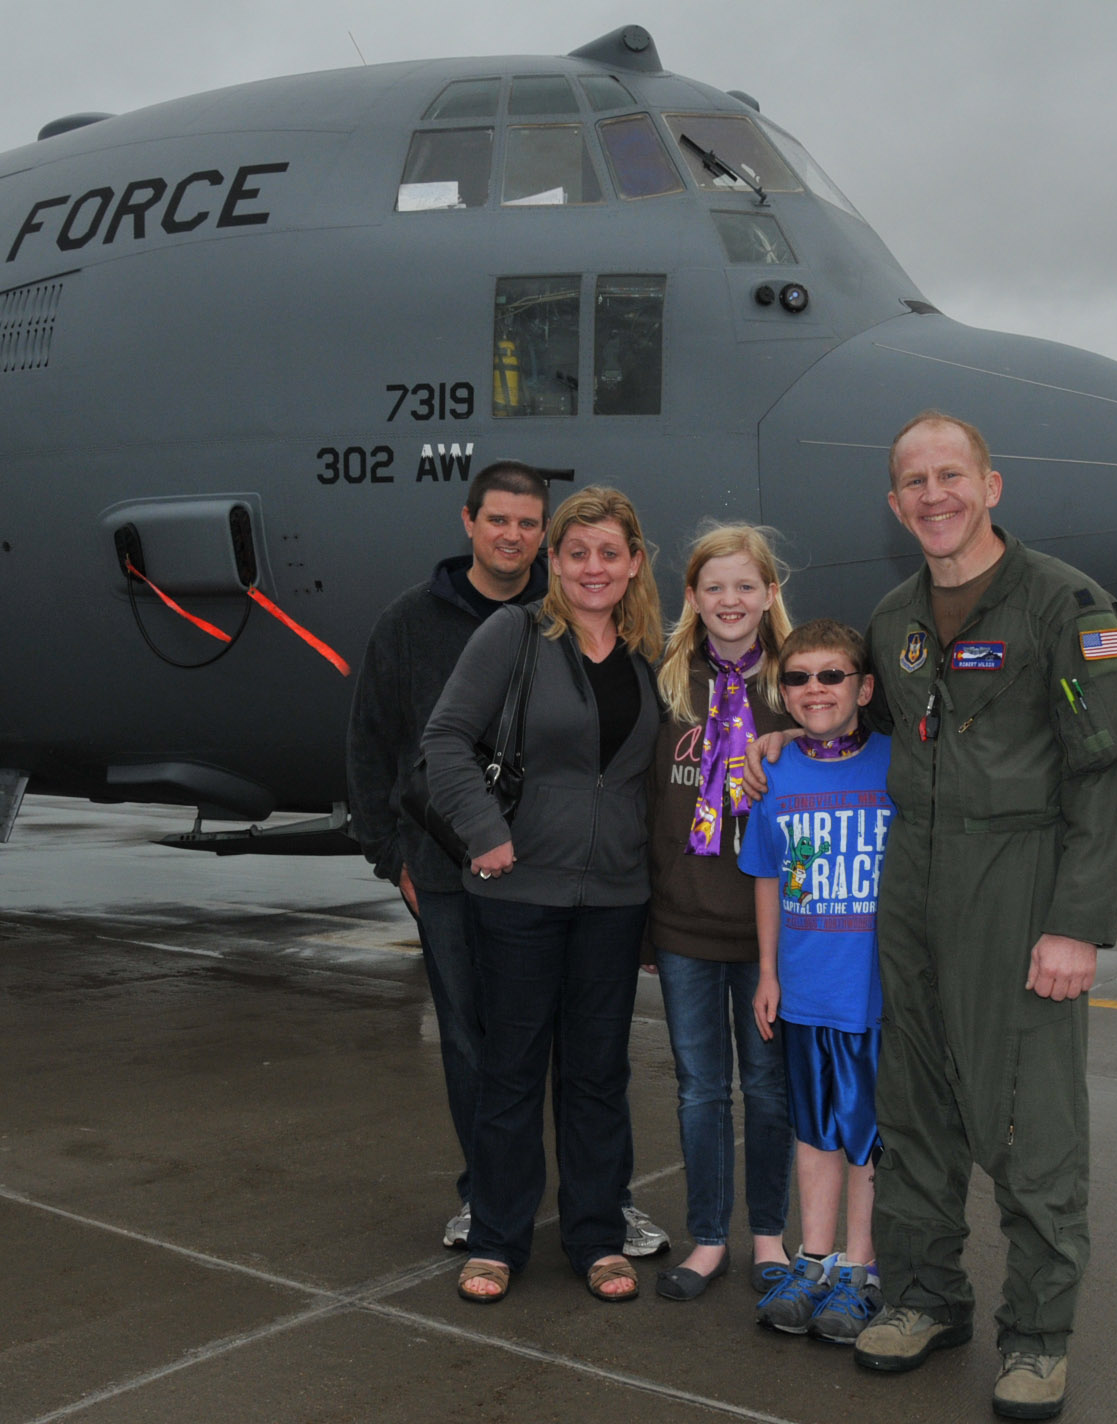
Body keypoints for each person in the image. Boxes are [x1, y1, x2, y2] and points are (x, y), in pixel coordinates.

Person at [845, 411, 1117, 1420]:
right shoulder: (893, 617)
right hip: (913, 887)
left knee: (1029, 1124)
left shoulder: (1063, 605)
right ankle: (924, 1295)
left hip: (1018, 890)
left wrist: (1075, 921)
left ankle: (1038, 1333)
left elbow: (1102, 771)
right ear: (894, 502)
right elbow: (874, 736)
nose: (933, 494)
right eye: (912, 481)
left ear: (990, 485)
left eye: (949, 475)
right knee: (914, 1112)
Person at [346, 464, 669, 1260]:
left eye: (611, 553)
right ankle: (495, 1226)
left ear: (633, 563)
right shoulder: (502, 631)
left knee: (596, 1073)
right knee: (499, 1061)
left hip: (610, 896)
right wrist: (457, 840)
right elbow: (421, 741)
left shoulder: (649, 653)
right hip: (504, 885)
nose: (594, 566)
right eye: (579, 551)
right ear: (555, 563)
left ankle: (598, 1232)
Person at [643, 525, 796, 1304]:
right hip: (684, 927)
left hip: (771, 932)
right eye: (715, 588)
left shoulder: (796, 682)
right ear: (694, 598)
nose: (730, 601)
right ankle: (709, 1240)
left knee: (769, 1089)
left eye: (746, 586)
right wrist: (644, 919)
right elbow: (641, 802)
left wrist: (792, 734)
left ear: (770, 594)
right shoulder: (668, 680)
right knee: (701, 1088)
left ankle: (769, 1236)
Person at [738, 620, 894, 1345]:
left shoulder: (897, 767)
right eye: (798, 678)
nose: (814, 690)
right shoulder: (774, 773)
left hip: (876, 992)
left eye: (832, 676)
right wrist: (767, 973)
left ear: (864, 687)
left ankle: (861, 1270)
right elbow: (766, 879)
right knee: (813, 1132)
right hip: (804, 988)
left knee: (865, 1135)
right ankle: (815, 1259)